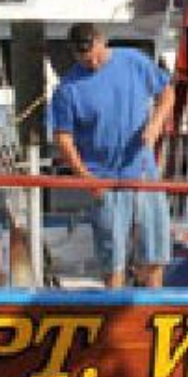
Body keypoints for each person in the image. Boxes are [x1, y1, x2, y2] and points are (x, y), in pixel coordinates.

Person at [50, 23, 175, 288]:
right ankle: (114, 302)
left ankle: (152, 306)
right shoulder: (68, 88)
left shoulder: (134, 61)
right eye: (85, 60)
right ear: (75, 55)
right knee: (112, 258)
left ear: (102, 41)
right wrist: (86, 177)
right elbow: (63, 138)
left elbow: (167, 94)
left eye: (96, 56)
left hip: (143, 172)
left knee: (154, 252)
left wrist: (155, 125)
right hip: (103, 179)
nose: (93, 63)